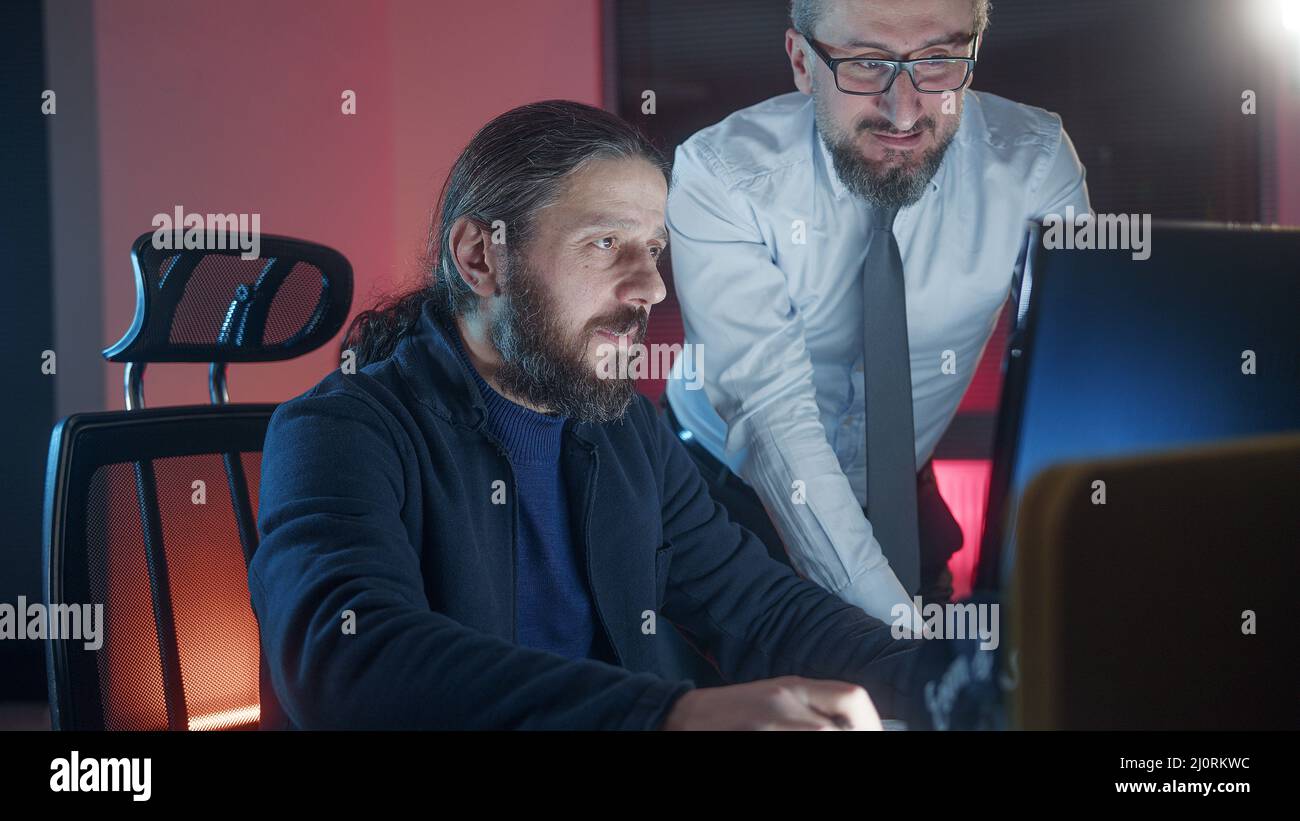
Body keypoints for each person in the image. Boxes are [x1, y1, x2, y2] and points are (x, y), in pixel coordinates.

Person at [247, 100, 919, 731]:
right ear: (482, 257)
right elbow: (348, 657)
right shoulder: (341, 430)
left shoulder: (626, 429)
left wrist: (960, 682)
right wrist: (670, 716)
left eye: (653, 248)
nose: (653, 286)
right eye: (605, 243)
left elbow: (764, 611)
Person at [663, 0, 1092, 624]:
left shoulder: (1034, 161)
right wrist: (898, 638)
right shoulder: (721, 175)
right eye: (866, 65)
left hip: (901, 496)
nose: (905, 110)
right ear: (802, 62)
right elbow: (771, 418)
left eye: (939, 61)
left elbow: (1072, 386)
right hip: (720, 493)